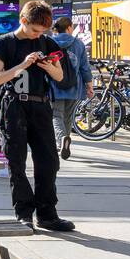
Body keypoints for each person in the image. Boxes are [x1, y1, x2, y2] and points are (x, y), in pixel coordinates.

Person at [0, 0, 75, 231]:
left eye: (42, 31)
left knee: (49, 161)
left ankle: (47, 213)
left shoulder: (46, 42)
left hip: (40, 105)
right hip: (15, 106)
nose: (38, 35)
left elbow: (60, 77)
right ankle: (23, 212)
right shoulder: (5, 43)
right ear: (24, 21)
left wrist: (49, 67)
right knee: (16, 161)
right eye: (35, 30)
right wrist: (22, 65)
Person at [49, 16, 93, 161]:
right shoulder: (79, 44)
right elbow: (85, 68)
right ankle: (64, 142)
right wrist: (89, 86)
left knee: (56, 115)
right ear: (69, 28)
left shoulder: (50, 42)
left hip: (55, 85)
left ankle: (61, 140)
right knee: (67, 116)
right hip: (75, 86)